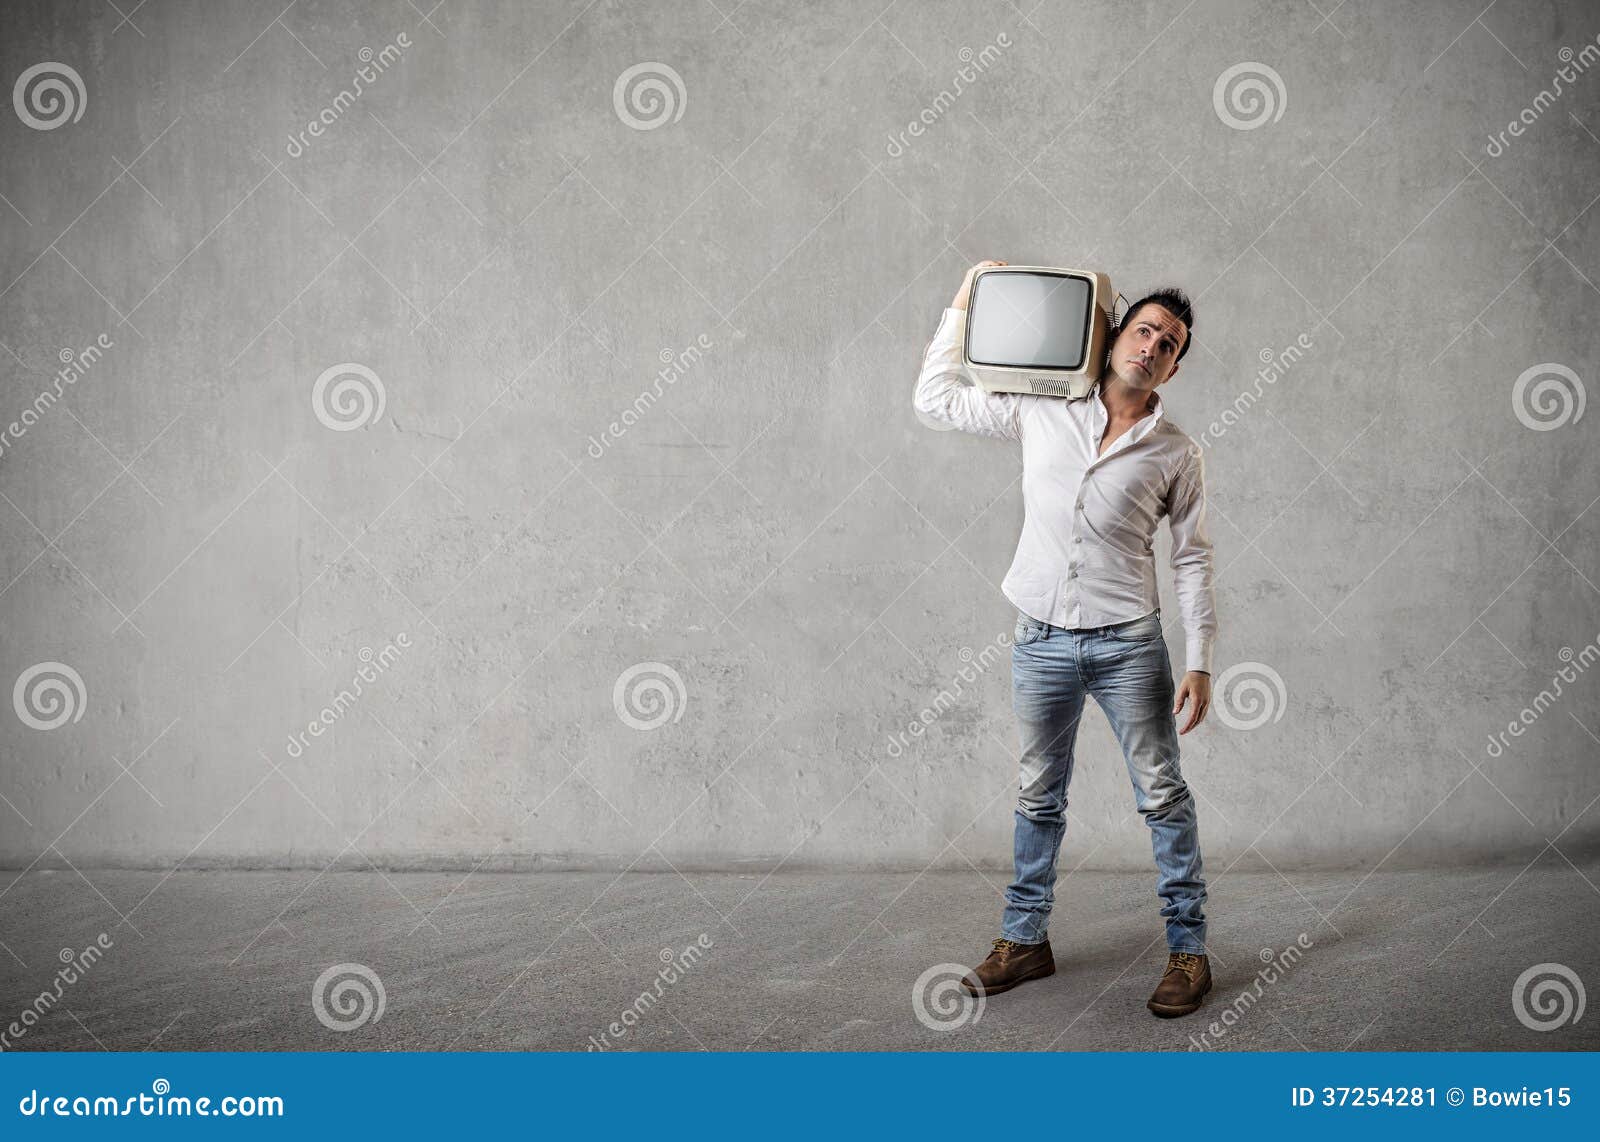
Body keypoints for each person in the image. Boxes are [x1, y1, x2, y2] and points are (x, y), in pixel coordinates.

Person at [913, 261, 1219, 1017]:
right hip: (1040, 637)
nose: (1152, 346)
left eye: (1169, 344)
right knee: (1038, 793)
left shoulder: (1176, 451)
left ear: (1174, 368)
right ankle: (1025, 942)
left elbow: (1191, 558)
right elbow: (935, 400)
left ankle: (1188, 952)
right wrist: (965, 299)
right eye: (1144, 330)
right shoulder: (1042, 408)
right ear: (1113, 336)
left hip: (1129, 644)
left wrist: (1201, 661)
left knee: (1162, 794)